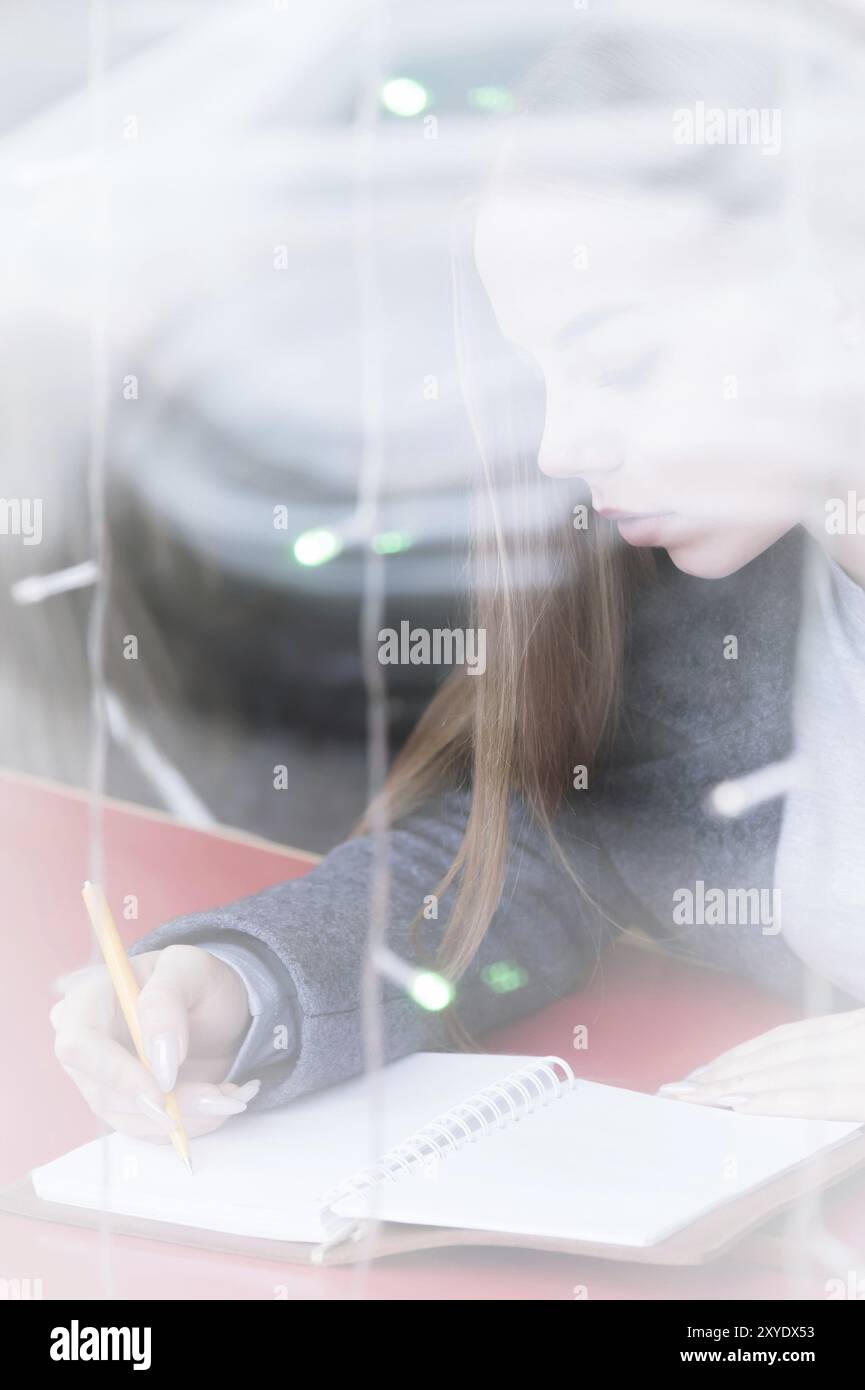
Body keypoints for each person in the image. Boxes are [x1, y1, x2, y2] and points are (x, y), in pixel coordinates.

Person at [51, 0, 865, 1140]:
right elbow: (533, 852)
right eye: (541, 381)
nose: (558, 450)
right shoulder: (707, 608)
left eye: (621, 361)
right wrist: (244, 988)